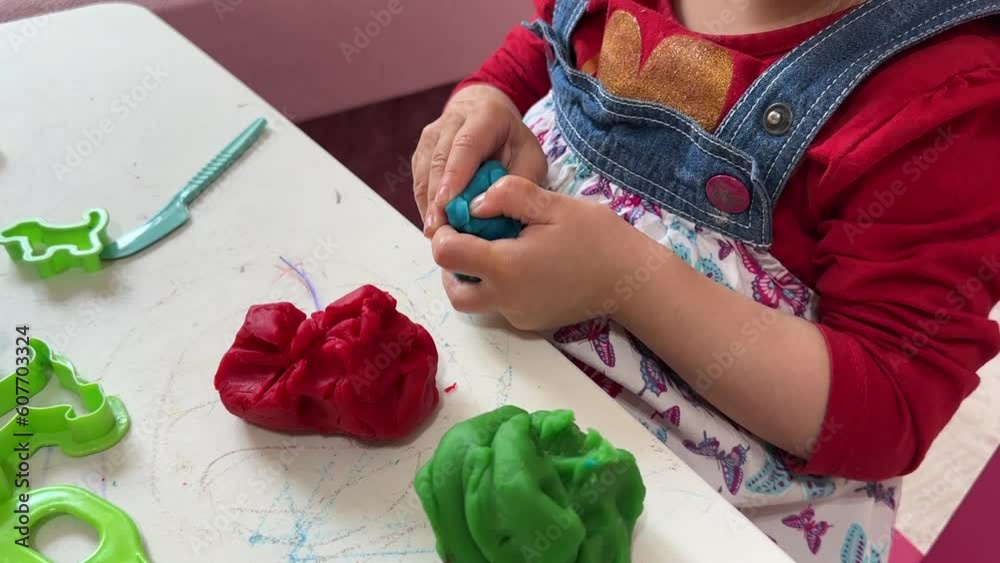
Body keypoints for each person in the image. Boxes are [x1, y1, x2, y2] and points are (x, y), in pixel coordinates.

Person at [411, 0, 1000, 559]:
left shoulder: (949, 104)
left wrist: (623, 277)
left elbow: (885, 408)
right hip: (492, 383)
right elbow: (541, 48)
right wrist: (485, 102)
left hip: (705, 511)